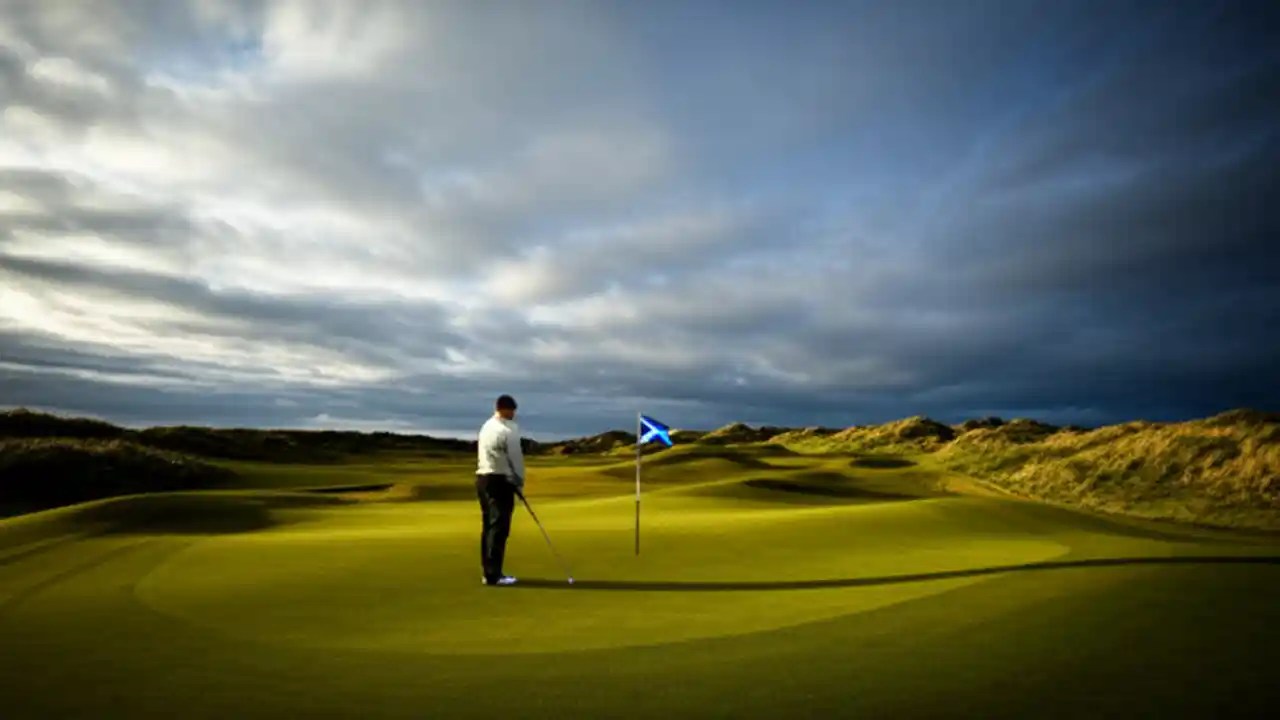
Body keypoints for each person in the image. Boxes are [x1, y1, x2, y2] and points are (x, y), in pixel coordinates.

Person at [475, 394, 525, 586]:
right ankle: (494, 575)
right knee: (499, 528)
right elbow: (516, 458)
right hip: (500, 480)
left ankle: (488, 572)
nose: (513, 414)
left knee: (489, 526)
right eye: (511, 410)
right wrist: (519, 482)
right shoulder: (508, 428)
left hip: (483, 479)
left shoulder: (486, 426)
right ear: (504, 409)